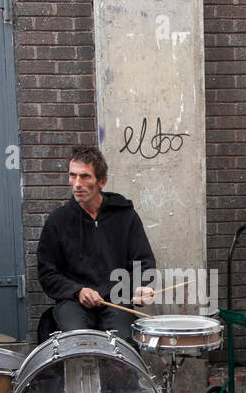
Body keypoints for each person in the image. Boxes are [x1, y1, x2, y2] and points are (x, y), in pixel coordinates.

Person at [36, 146, 156, 342]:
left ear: (102, 181)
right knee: (77, 341)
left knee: (123, 344)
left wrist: (141, 287)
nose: (77, 184)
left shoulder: (126, 217)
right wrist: (77, 290)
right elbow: (47, 273)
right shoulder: (58, 221)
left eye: (85, 177)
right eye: (72, 176)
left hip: (116, 301)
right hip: (73, 303)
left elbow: (143, 262)